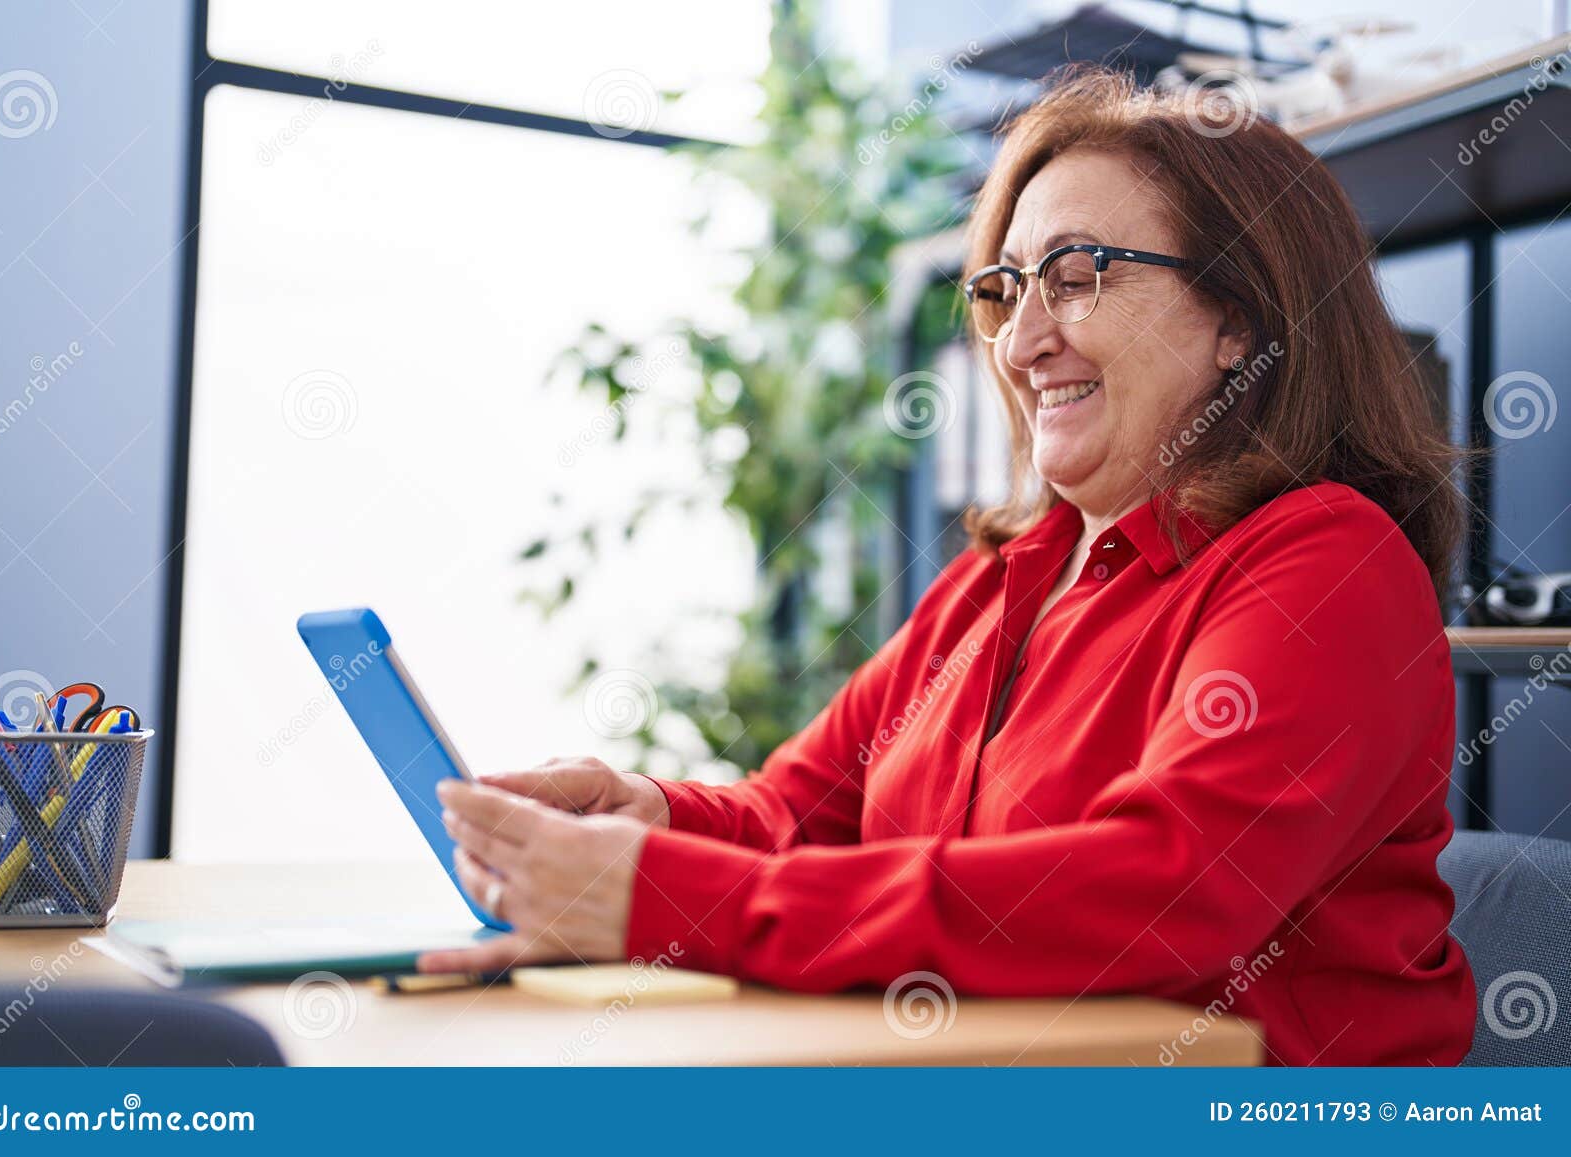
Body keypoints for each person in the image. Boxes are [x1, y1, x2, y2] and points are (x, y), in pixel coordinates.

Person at [417, 68, 1476, 1066]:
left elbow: (1161, 891)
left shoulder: (1327, 562)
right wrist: (644, 816)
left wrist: (665, 900)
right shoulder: (1002, 579)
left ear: (1236, 321)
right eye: (1004, 292)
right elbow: (795, 810)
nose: (1020, 344)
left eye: (1074, 279)